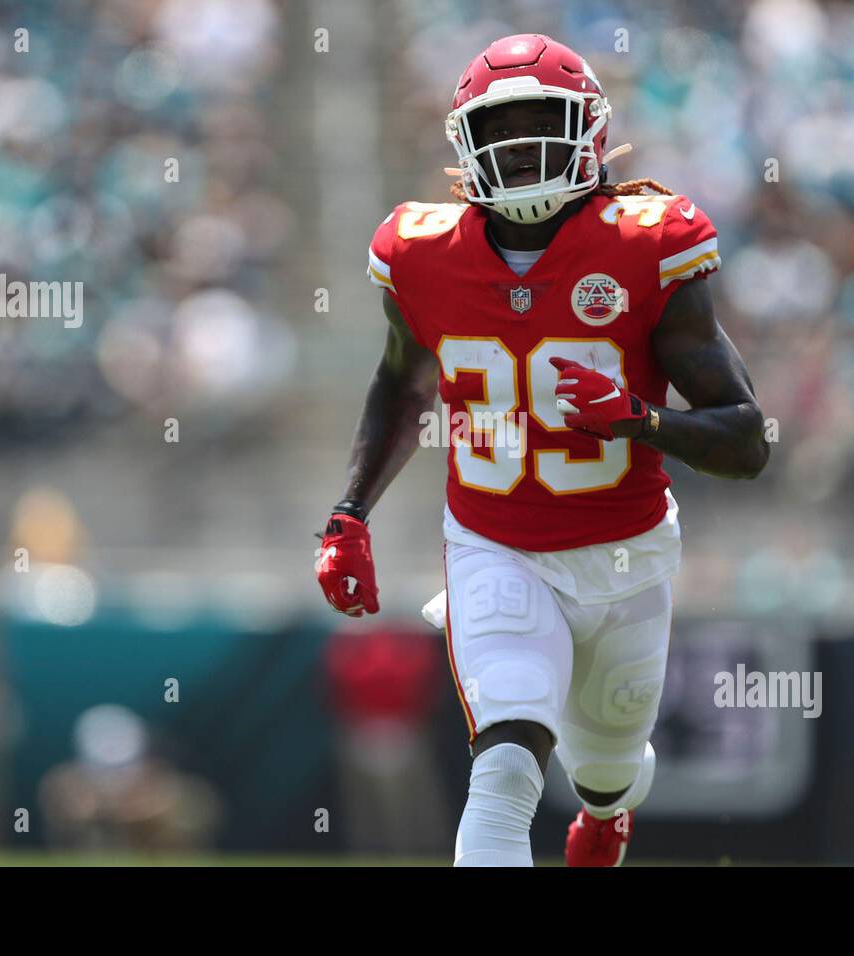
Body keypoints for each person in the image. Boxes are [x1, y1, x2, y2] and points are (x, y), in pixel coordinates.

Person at [315, 34, 768, 866]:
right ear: (465, 144)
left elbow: (746, 441)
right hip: (496, 545)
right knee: (507, 766)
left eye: (539, 122)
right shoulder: (418, 254)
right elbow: (403, 384)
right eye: (500, 129)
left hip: (627, 552)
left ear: (589, 128)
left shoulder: (649, 244)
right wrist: (349, 513)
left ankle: (606, 813)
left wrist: (639, 419)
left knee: (607, 767)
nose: (520, 146)